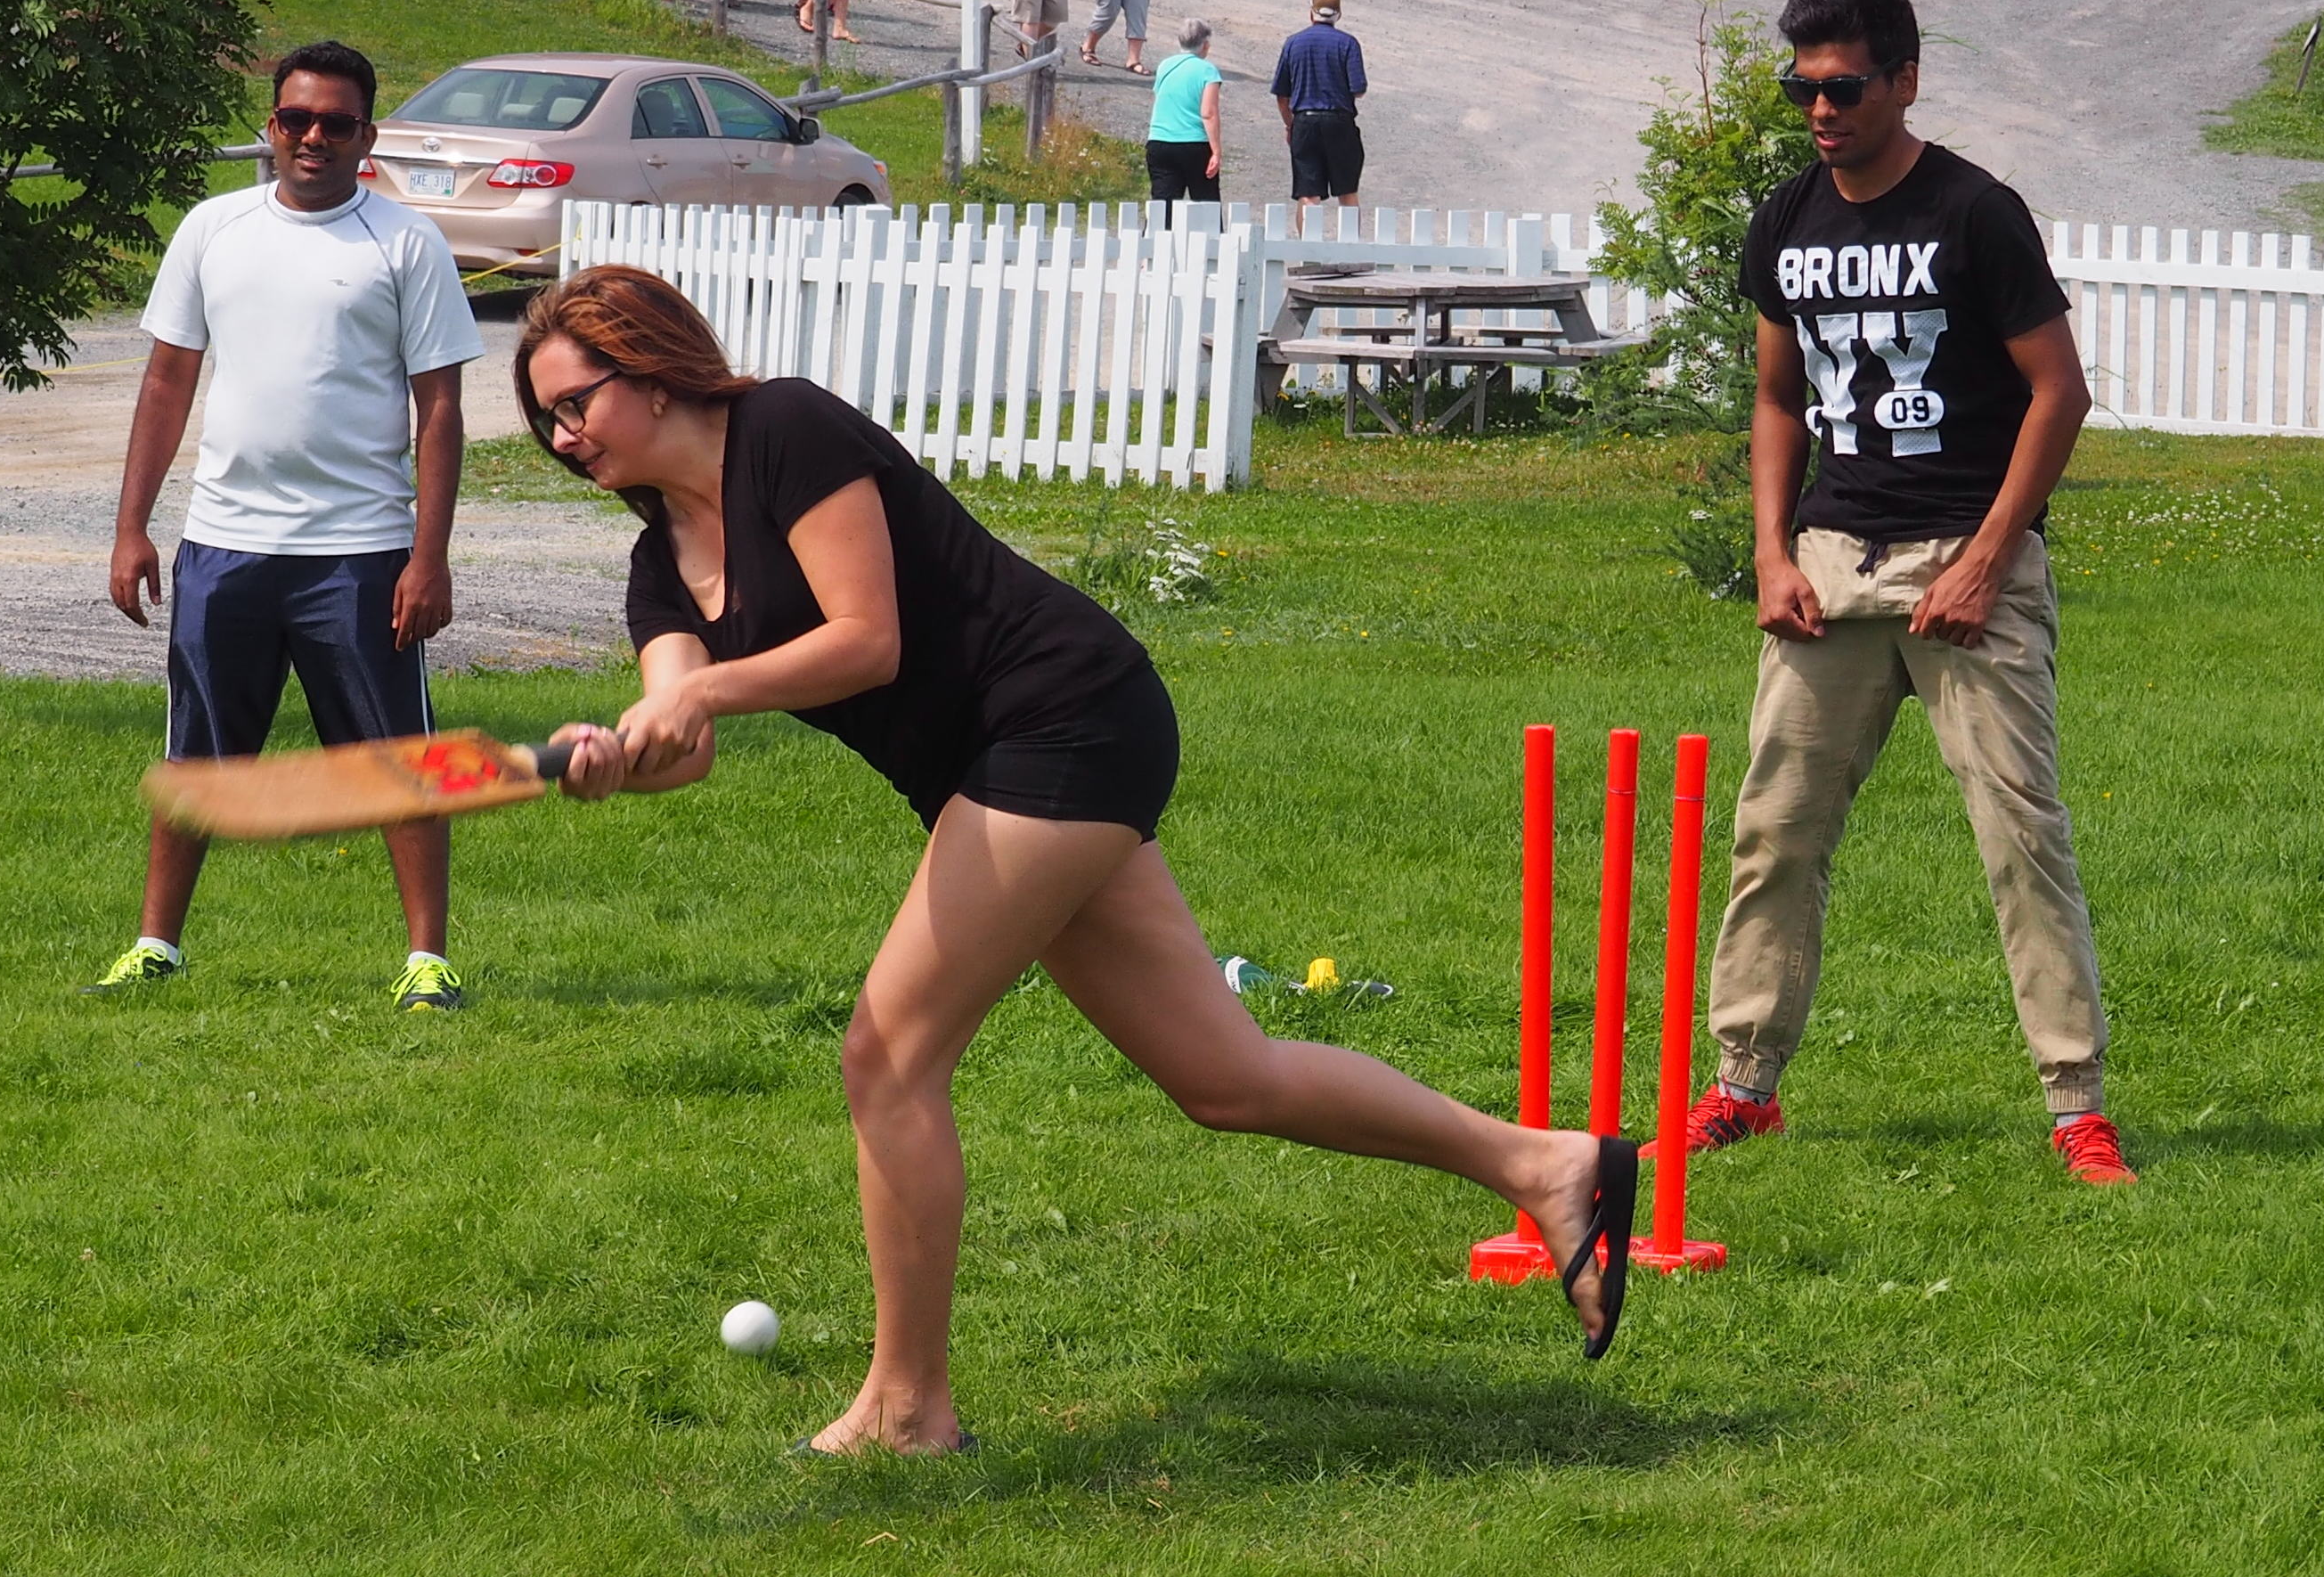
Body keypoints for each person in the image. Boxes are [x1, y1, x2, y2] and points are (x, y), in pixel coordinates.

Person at [511, 266, 1642, 1455]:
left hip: (1062, 712)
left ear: (647, 369)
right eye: (546, 421)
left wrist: (698, 691)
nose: (561, 434)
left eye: (574, 402)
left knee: (886, 1058)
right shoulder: (658, 566)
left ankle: (907, 1405)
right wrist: (614, 755)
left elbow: (865, 636)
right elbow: (677, 743)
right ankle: (1546, 1162)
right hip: (995, 765)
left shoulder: (786, 427)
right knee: (1225, 1078)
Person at [1678, 0, 2133, 1186]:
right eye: (1802, 87)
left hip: (1959, 562)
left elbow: (2060, 390)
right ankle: (1742, 1085)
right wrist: (1771, 552)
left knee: (2019, 832)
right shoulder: (1785, 218)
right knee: (1774, 831)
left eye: (1841, 86)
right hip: (1830, 563)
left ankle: (2074, 1102)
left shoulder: (1975, 212)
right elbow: (1778, 397)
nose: (1819, 108)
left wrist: (1988, 558)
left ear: (1903, 78)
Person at [86, 41, 485, 1013]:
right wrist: (132, 526)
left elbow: (440, 408)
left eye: (336, 123)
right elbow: (167, 379)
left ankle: (427, 962)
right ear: (269, 127)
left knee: (401, 759)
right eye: (295, 119)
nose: (313, 136)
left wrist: (428, 556)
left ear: (367, 139)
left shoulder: (404, 243)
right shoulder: (213, 230)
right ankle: (154, 947)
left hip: (360, 552)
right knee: (197, 756)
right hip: (225, 547)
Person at [1271, 0, 1366, 227]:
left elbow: (1282, 94)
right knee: (1347, 190)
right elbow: (1359, 89)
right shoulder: (1348, 43)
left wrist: (1290, 125)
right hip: (1339, 121)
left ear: (1312, 13)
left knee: (1308, 193)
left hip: (1305, 120)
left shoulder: (1293, 43)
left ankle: (1308, 252)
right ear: (1338, 15)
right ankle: (1350, 249)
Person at [1145, 17, 1224, 204]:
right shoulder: (1208, 71)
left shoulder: (1165, 66)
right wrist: (1216, 150)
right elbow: (1208, 113)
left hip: (1160, 141)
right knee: (1206, 205)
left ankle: (1156, 233)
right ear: (1205, 45)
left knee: (1163, 205)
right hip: (1194, 143)